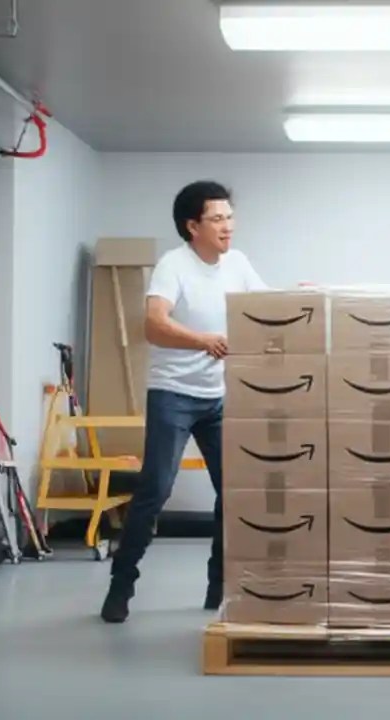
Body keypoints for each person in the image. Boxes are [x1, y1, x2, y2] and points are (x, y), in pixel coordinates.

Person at [101, 180, 267, 623]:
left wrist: (303, 298)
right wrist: (203, 342)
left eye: (230, 217)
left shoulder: (239, 264)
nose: (228, 226)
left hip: (219, 396)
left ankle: (217, 587)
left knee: (233, 492)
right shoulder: (172, 266)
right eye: (217, 219)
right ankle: (120, 587)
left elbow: (267, 308)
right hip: (173, 393)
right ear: (193, 226)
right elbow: (153, 326)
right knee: (155, 490)